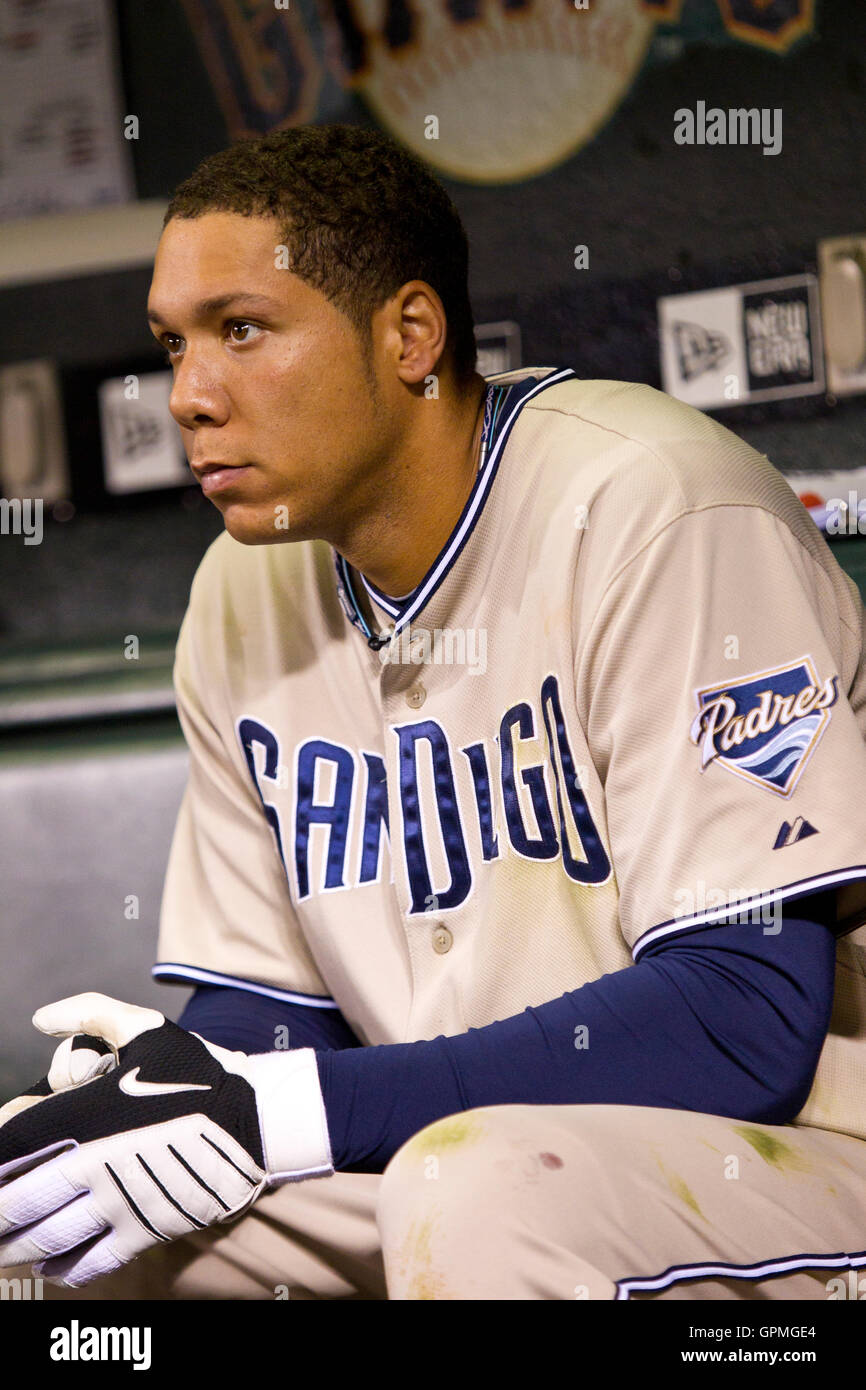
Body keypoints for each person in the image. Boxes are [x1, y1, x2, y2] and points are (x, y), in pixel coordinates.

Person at [2, 123, 866, 1302]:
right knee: (74, 1208)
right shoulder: (242, 588)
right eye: (173, 344)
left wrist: (288, 1109)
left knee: (473, 1188)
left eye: (241, 329)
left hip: (794, 1160)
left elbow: (740, 1019)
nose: (188, 396)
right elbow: (275, 1016)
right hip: (457, 1166)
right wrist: (151, 1092)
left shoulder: (656, 508)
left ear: (408, 335)